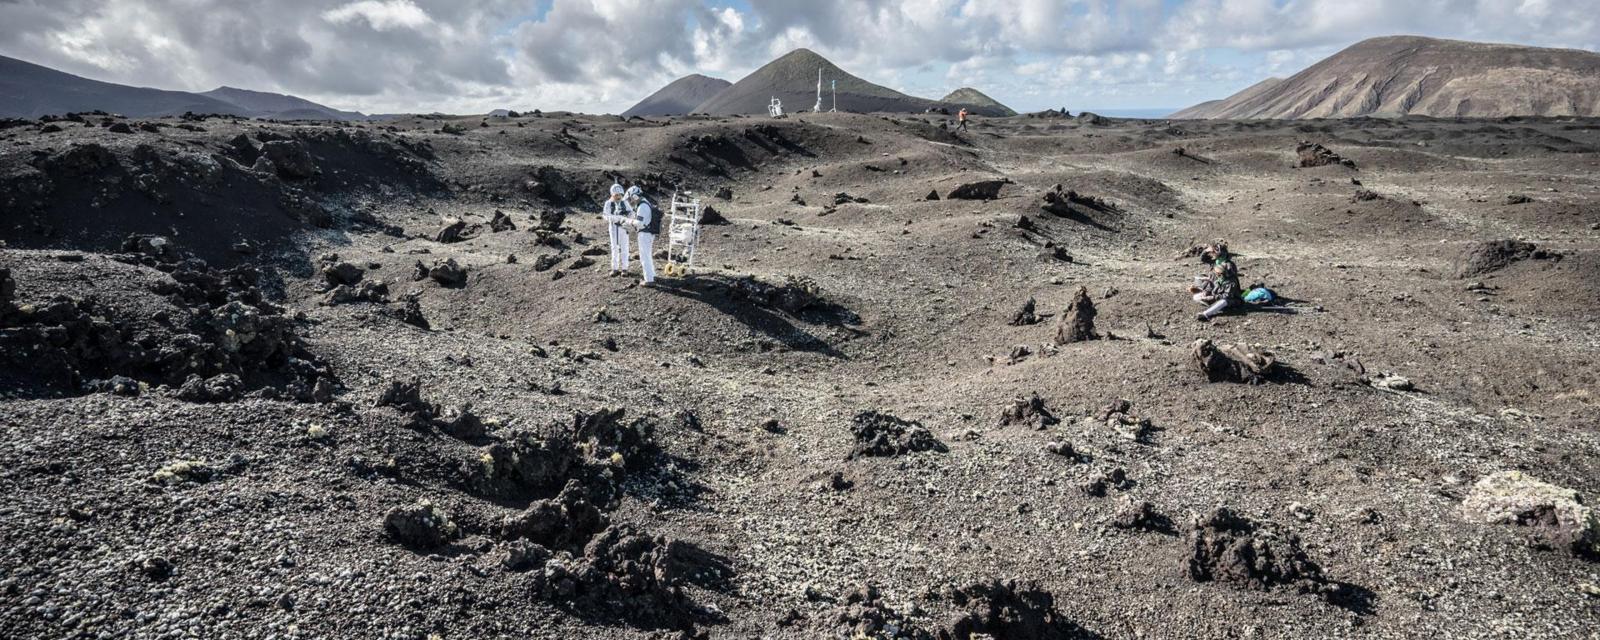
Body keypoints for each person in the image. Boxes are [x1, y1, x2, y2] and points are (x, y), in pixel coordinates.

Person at [623, 185, 658, 287]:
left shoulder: (642, 206)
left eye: (631, 199)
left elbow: (640, 223)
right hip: (647, 233)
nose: (631, 201)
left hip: (645, 233)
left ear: (634, 196)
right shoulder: (644, 203)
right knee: (647, 255)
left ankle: (649, 280)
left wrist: (629, 222)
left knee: (644, 256)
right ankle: (651, 275)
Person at [601, 183, 630, 277]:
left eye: (620, 195)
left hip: (624, 227)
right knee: (614, 247)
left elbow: (631, 212)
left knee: (625, 247)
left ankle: (625, 268)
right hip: (613, 227)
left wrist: (627, 219)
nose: (618, 197)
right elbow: (605, 215)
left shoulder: (625, 202)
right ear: (612, 194)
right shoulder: (608, 203)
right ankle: (615, 268)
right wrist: (616, 218)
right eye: (616, 195)